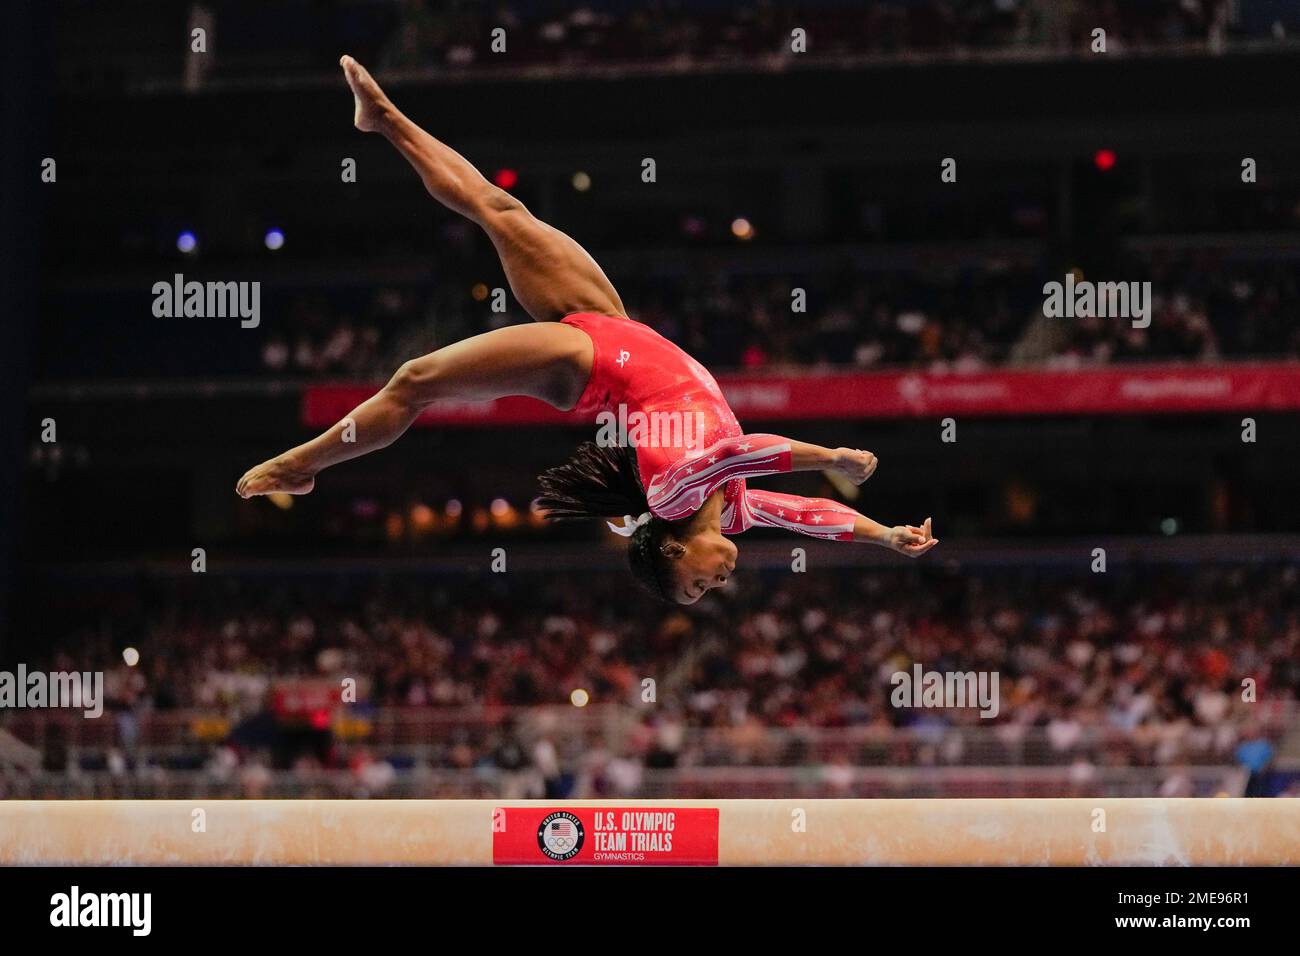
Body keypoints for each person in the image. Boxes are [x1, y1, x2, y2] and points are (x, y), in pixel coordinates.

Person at [237, 56, 938, 604]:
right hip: (616, 329)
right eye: (710, 589)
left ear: (670, 551)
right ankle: (383, 118)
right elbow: (811, 517)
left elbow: (735, 449)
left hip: (593, 366)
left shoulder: (673, 498)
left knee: (416, 379)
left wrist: (836, 457)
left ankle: (302, 466)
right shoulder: (734, 514)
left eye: (697, 584)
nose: (717, 579)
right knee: (501, 210)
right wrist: (886, 535)